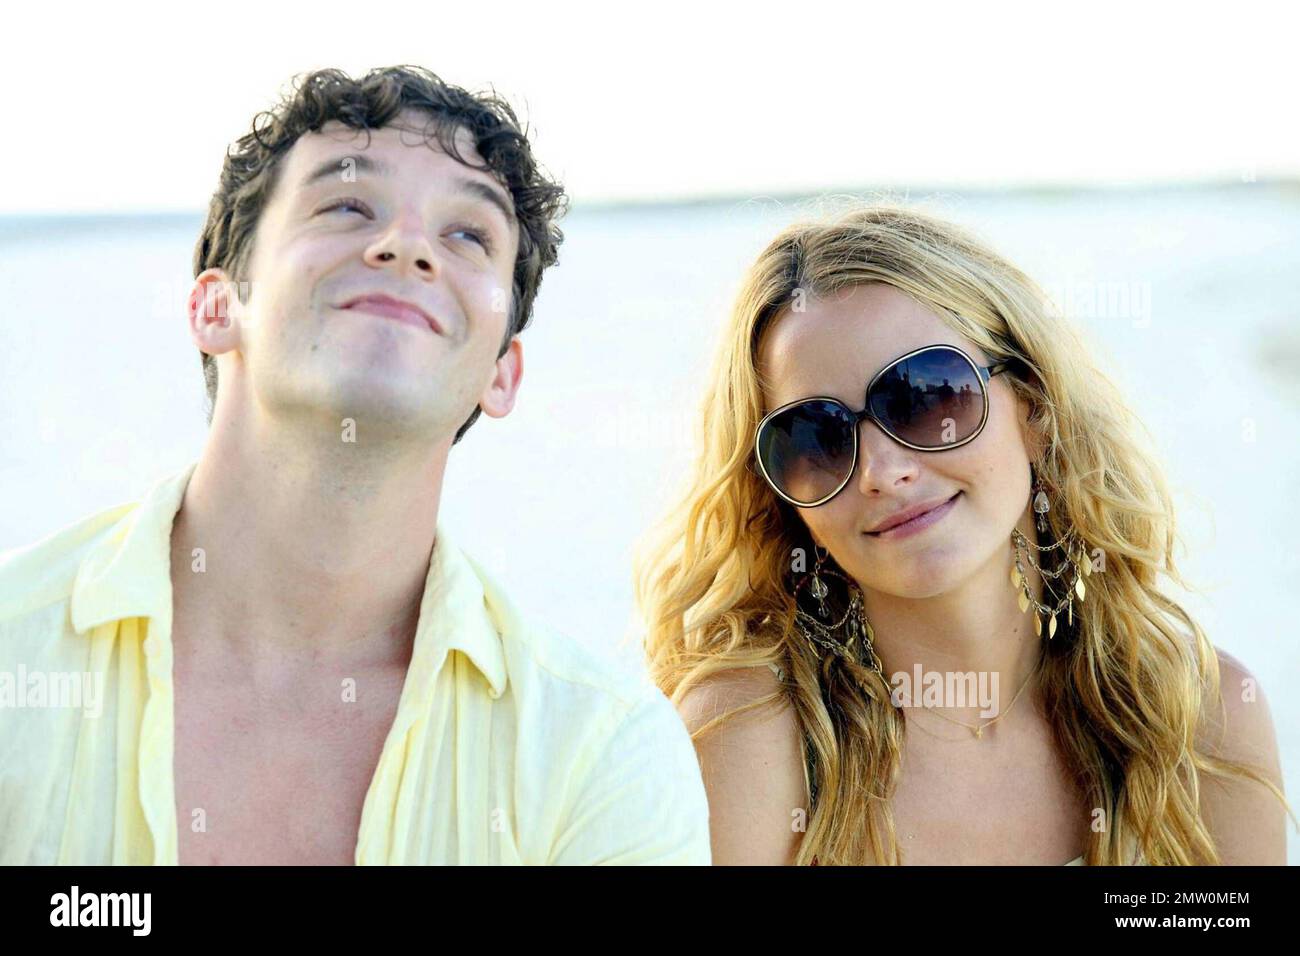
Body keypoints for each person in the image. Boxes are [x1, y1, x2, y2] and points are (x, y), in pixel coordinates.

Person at [0, 66, 710, 865]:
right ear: (216, 305)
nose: (406, 245)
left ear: (501, 374)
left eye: (468, 235)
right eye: (346, 205)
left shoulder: (599, 755)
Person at [636, 204, 1291, 865]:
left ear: (1033, 405)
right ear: (780, 492)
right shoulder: (750, 730)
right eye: (817, 438)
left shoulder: (1198, 722)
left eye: (925, 397)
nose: (882, 472)